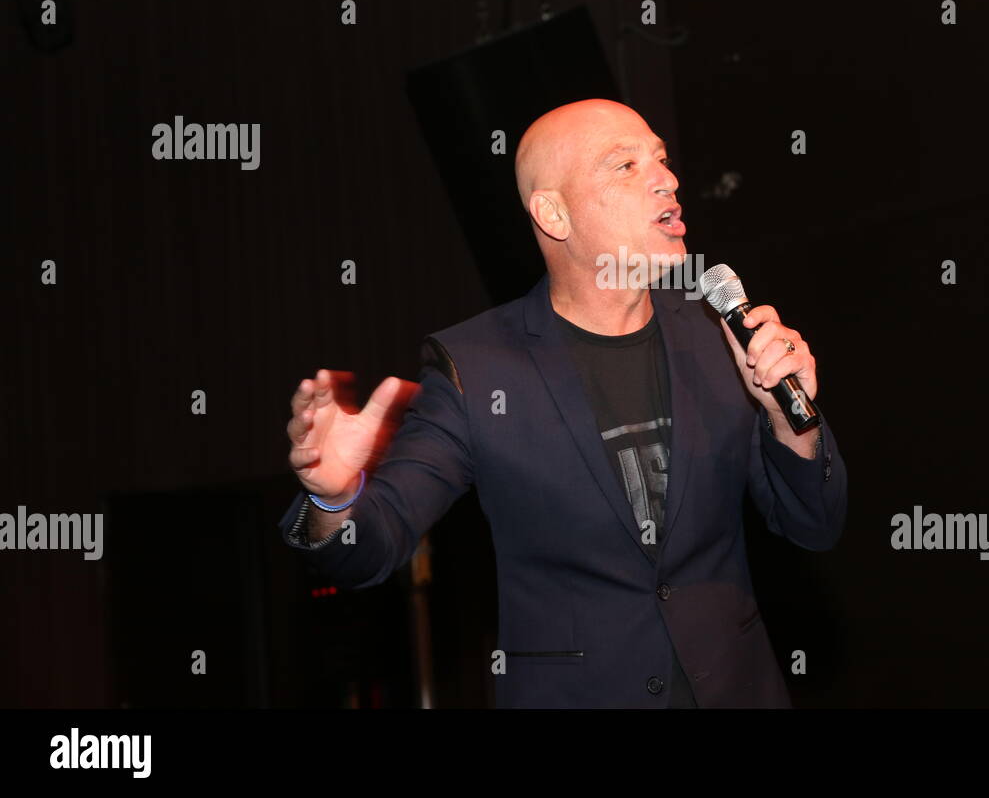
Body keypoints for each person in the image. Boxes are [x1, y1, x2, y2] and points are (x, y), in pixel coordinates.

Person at [279, 98, 847, 707]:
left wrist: (786, 421)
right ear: (553, 213)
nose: (667, 179)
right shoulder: (476, 365)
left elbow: (815, 525)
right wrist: (334, 499)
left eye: (660, 157)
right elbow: (371, 547)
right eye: (624, 166)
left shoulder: (717, 334)